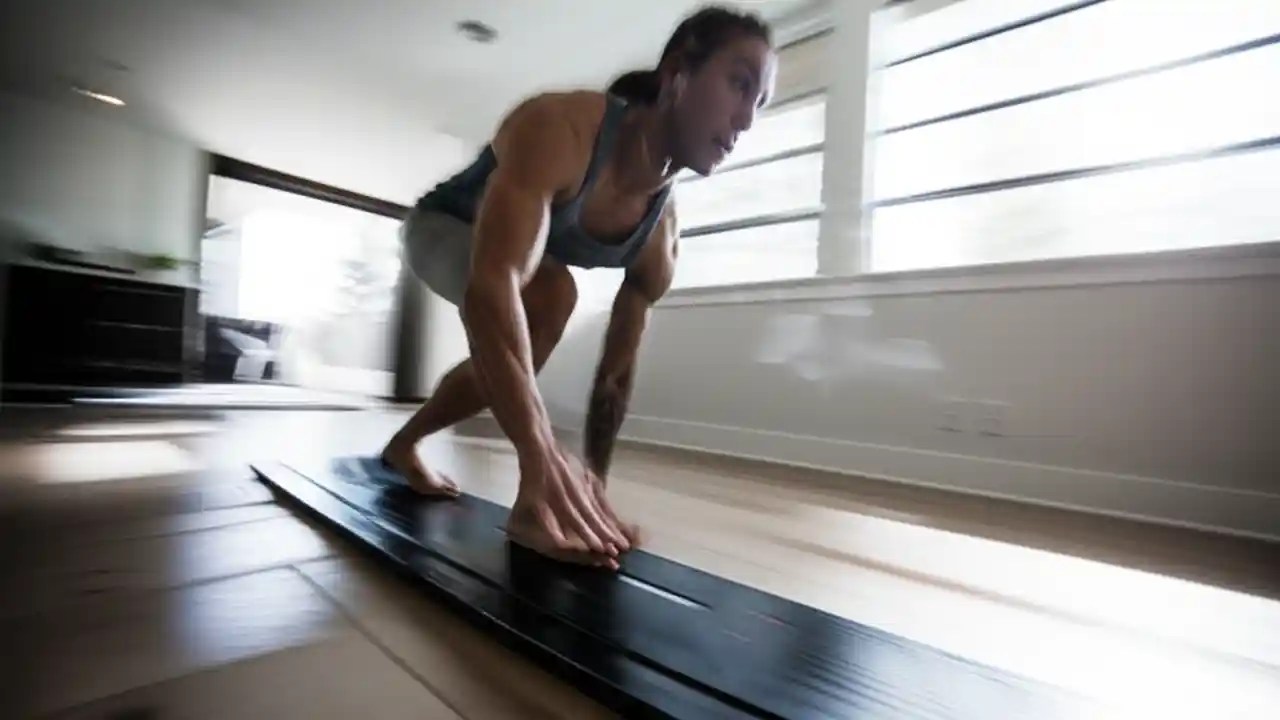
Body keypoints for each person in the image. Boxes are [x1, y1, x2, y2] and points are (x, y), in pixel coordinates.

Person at [382, 5, 776, 569]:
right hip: (440, 226)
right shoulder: (561, 128)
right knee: (551, 296)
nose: (747, 120)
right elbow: (493, 286)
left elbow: (614, 376)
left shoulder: (660, 238)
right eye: (739, 84)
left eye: (761, 102)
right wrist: (539, 458)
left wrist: (593, 486)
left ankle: (404, 444)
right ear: (677, 73)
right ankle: (529, 494)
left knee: (538, 314)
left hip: (522, 270)